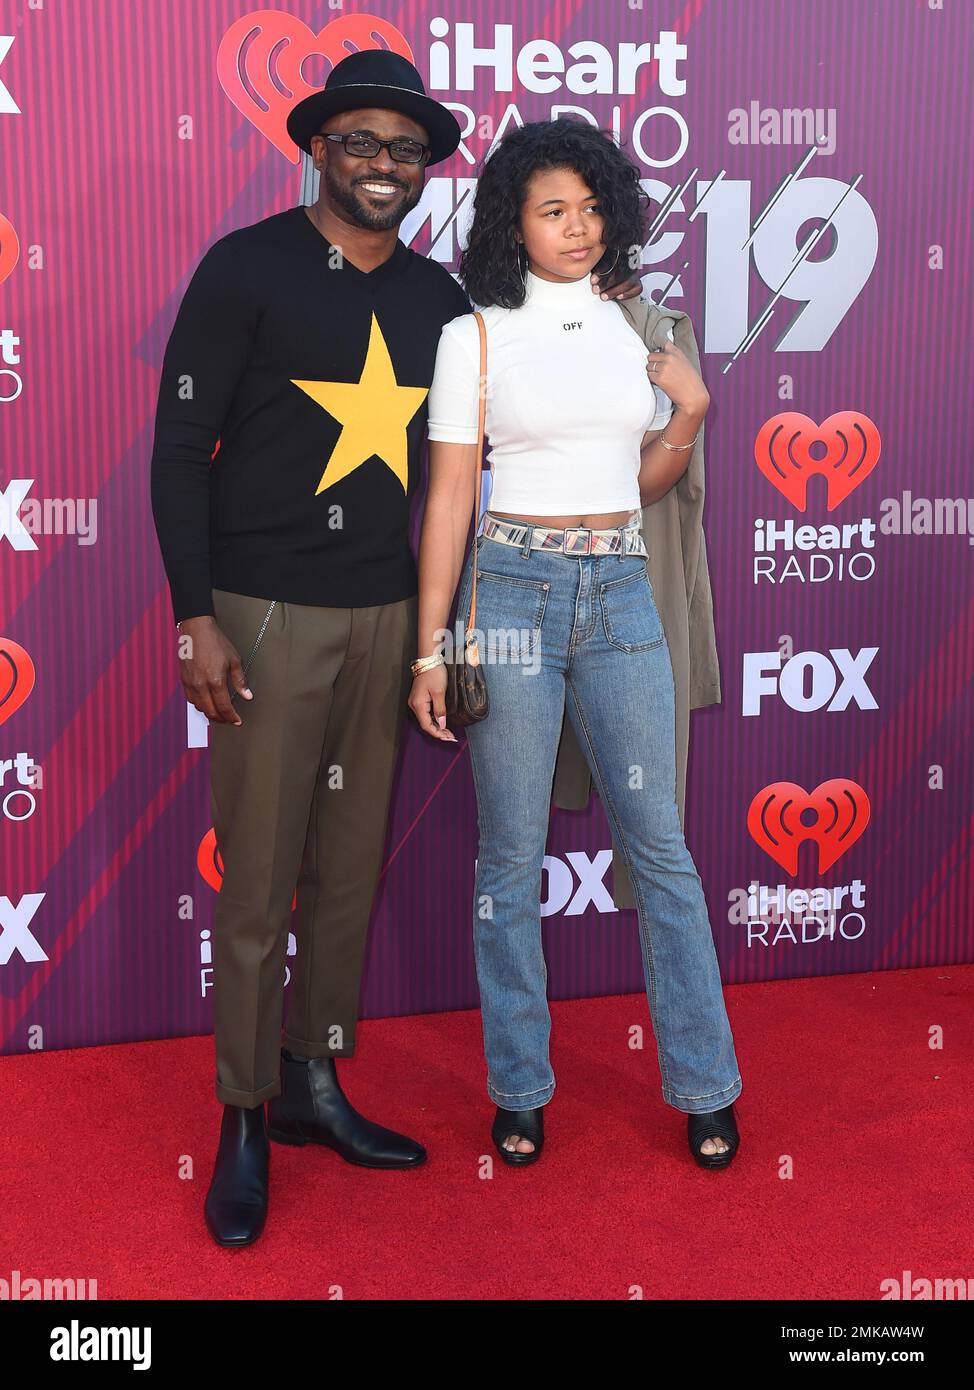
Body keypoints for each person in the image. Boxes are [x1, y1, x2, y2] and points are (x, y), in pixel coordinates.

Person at [150, 54, 645, 1247]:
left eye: (407, 150)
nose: (385, 165)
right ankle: (243, 1115)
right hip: (261, 610)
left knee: (348, 874)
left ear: (429, 169)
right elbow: (176, 451)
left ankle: (317, 1084)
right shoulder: (246, 267)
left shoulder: (439, 304)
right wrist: (193, 612)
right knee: (260, 877)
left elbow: (483, 464)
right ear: (318, 147)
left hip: (388, 620)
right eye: (362, 143)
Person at [410, 119, 744, 1170]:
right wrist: (432, 646)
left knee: (662, 850)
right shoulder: (472, 333)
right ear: (512, 219)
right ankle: (518, 1089)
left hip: (619, 593)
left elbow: (637, 486)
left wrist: (684, 413)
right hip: (506, 594)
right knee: (509, 856)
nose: (578, 228)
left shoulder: (631, 326)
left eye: (592, 207)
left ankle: (704, 1085)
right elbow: (454, 494)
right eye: (553, 210)